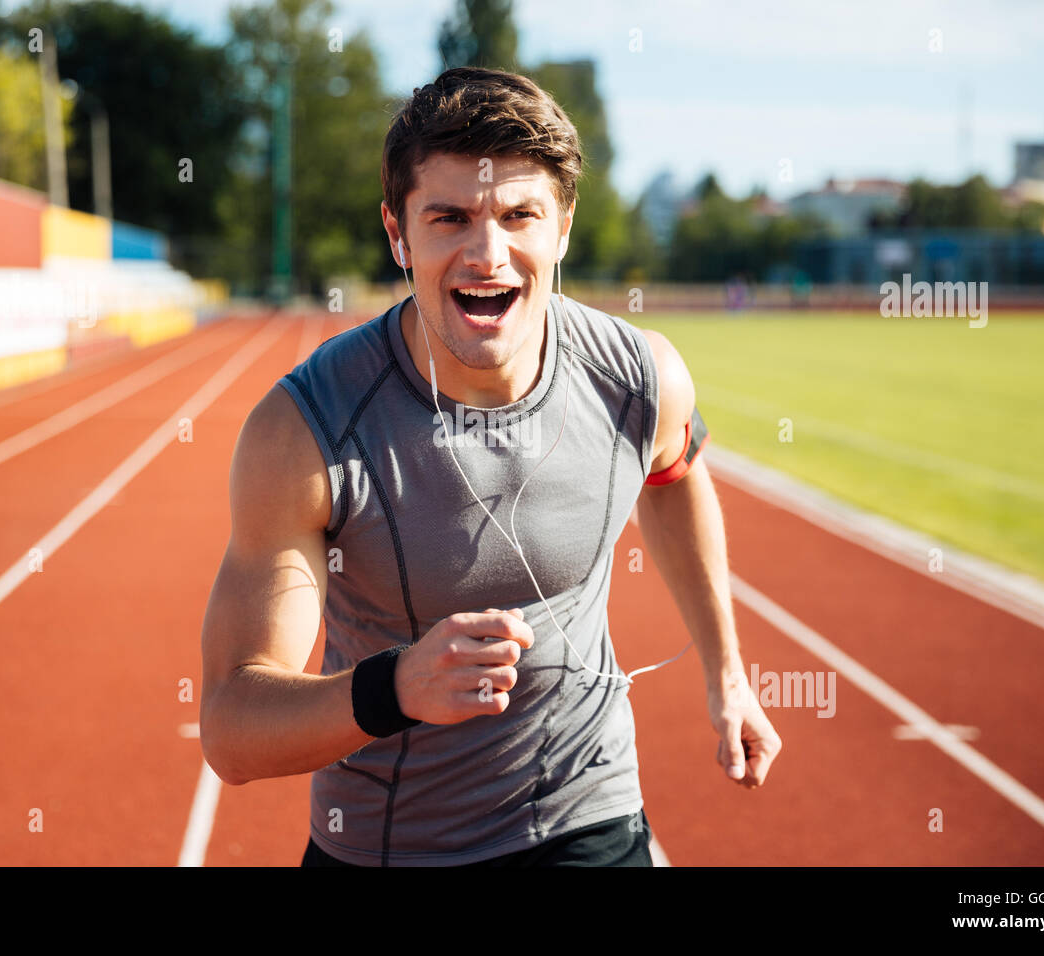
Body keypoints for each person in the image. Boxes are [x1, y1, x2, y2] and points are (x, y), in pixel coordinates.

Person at [199, 67, 781, 867]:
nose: (488, 253)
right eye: (450, 218)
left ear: (563, 229)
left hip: (591, 816)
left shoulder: (641, 376)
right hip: (391, 847)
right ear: (398, 234)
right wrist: (396, 689)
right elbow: (232, 726)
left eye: (519, 216)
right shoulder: (306, 430)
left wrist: (728, 676)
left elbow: (675, 477)